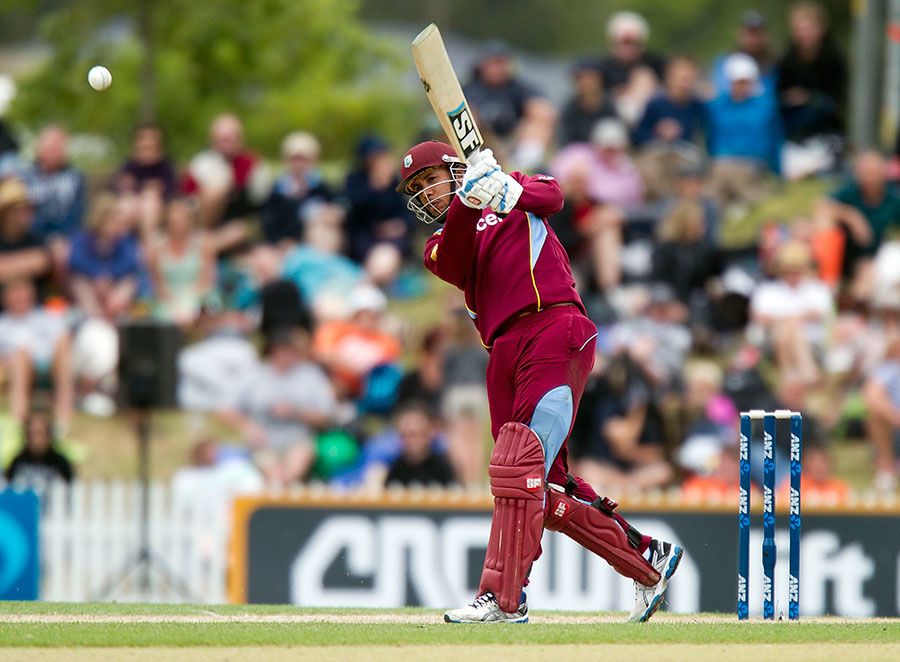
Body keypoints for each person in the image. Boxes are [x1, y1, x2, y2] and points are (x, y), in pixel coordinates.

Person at [397, 139, 682, 623]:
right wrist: (469, 200)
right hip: (503, 351)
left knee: (517, 470)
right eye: (418, 189)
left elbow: (552, 197)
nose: (426, 193)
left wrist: (503, 186)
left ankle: (504, 598)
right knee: (536, 484)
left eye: (430, 180)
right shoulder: (441, 243)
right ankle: (645, 558)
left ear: (453, 168)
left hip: (552, 327)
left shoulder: (512, 192)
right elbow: (453, 263)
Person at [219, 327, 338, 487]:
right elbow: (225, 408)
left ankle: (285, 489)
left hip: (298, 438)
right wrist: (248, 426)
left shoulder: (310, 375)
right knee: (270, 470)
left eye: (291, 351)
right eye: (282, 350)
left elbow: (326, 416)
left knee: (295, 464)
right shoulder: (254, 375)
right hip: (263, 441)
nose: (286, 356)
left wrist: (296, 413)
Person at [0, 279, 74, 429]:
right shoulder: (3, 325)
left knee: (63, 350)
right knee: (20, 356)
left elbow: (62, 341)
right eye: (14, 293)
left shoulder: (47, 318)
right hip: (14, 368)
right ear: (5, 297)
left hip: (49, 365)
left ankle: (63, 420)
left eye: (22, 292)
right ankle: (18, 421)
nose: (19, 298)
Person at [146, 198, 216, 326]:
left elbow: (207, 281)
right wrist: (175, 307)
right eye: (174, 220)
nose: (178, 224)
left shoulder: (205, 243)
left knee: (199, 314)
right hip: (169, 300)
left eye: (182, 219)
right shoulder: (156, 248)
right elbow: (158, 285)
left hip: (199, 297)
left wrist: (188, 303)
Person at [261, 131, 335, 245]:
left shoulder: (321, 187)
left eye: (304, 159)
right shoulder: (277, 190)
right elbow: (268, 223)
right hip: (284, 245)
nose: (299, 164)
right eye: (295, 159)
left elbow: (338, 207)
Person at [384, 400, 456, 488]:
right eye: (405, 435)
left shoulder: (443, 469)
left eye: (416, 434)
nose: (411, 441)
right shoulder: (394, 469)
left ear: (431, 432)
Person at [0, 178, 51, 301]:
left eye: (28, 209)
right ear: (4, 213)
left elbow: (41, 262)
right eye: (18, 210)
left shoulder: (36, 238)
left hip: (35, 313)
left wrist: (6, 265)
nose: (26, 215)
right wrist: (25, 263)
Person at [5, 409, 74, 489]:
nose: (35, 439)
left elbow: (70, 487)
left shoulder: (60, 463)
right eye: (31, 434)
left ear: (48, 435)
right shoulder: (18, 462)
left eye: (39, 433)